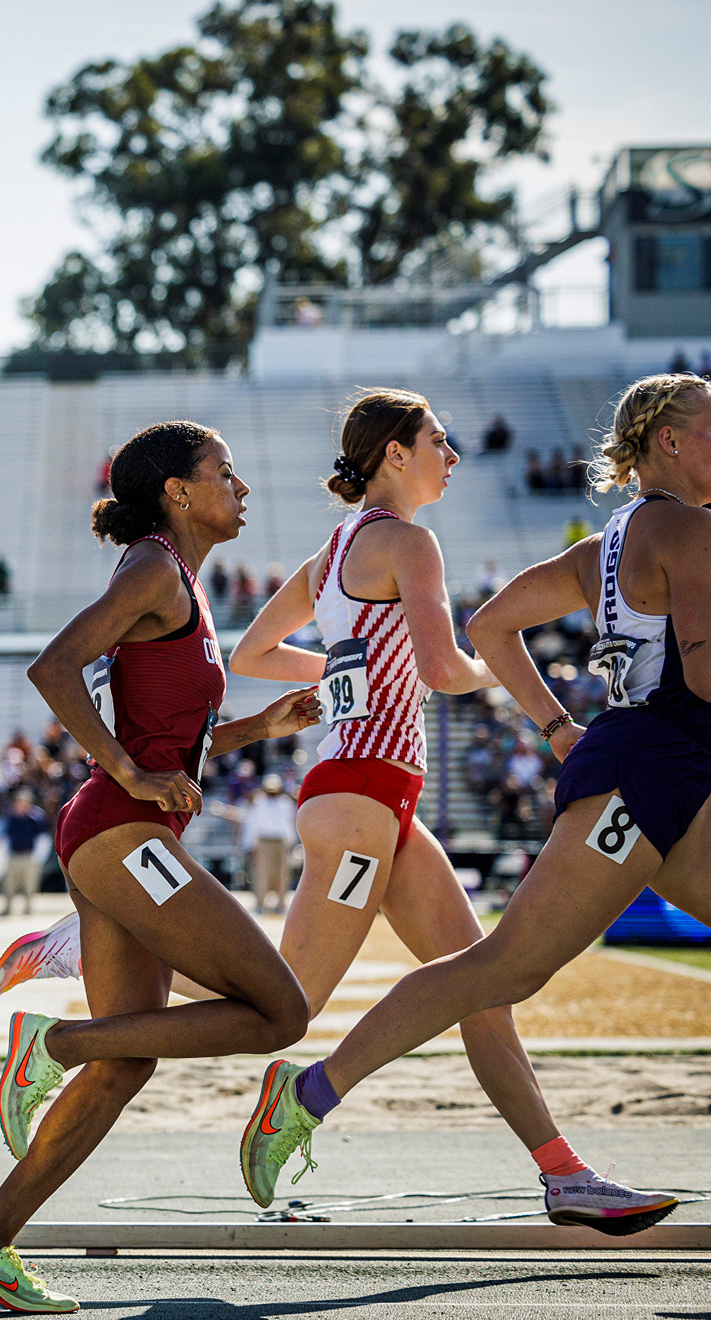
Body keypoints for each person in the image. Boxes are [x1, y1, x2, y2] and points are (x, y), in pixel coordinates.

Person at [240, 373, 709, 1236]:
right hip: (367, 795)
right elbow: (450, 668)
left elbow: (255, 651)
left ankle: (562, 1174)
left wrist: (354, 670)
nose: (452, 455)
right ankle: (76, 1002)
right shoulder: (409, 544)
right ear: (395, 453)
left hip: (372, 792)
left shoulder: (336, 548)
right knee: (282, 1002)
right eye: (438, 442)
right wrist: (527, 692)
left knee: (484, 988)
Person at [0, 423, 318, 1312]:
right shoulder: (151, 568)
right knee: (281, 1012)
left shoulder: (181, 581)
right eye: (227, 472)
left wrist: (261, 729)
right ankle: (51, 1043)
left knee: (128, 1060)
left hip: (126, 834)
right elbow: (52, 666)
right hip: (120, 835)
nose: (243, 486)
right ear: (179, 491)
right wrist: (127, 771)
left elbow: (170, 737)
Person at [235, 774, 295, 915]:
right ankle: (260, 904)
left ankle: (280, 904)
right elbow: (253, 825)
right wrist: (251, 844)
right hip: (263, 841)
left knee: (281, 874)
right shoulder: (259, 803)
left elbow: (289, 824)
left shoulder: (285, 803)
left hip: (280, 841)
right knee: (262, 874)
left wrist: (291, 843)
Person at [0, 791, 48, 917]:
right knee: (9, 883)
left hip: (29, 855)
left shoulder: (36, 818)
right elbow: (6, 836)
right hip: (14, 854)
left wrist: (38, 856)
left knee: (30, 883)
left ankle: (28, 906)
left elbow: (43, 838)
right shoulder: (12, 818)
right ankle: (7, 906)